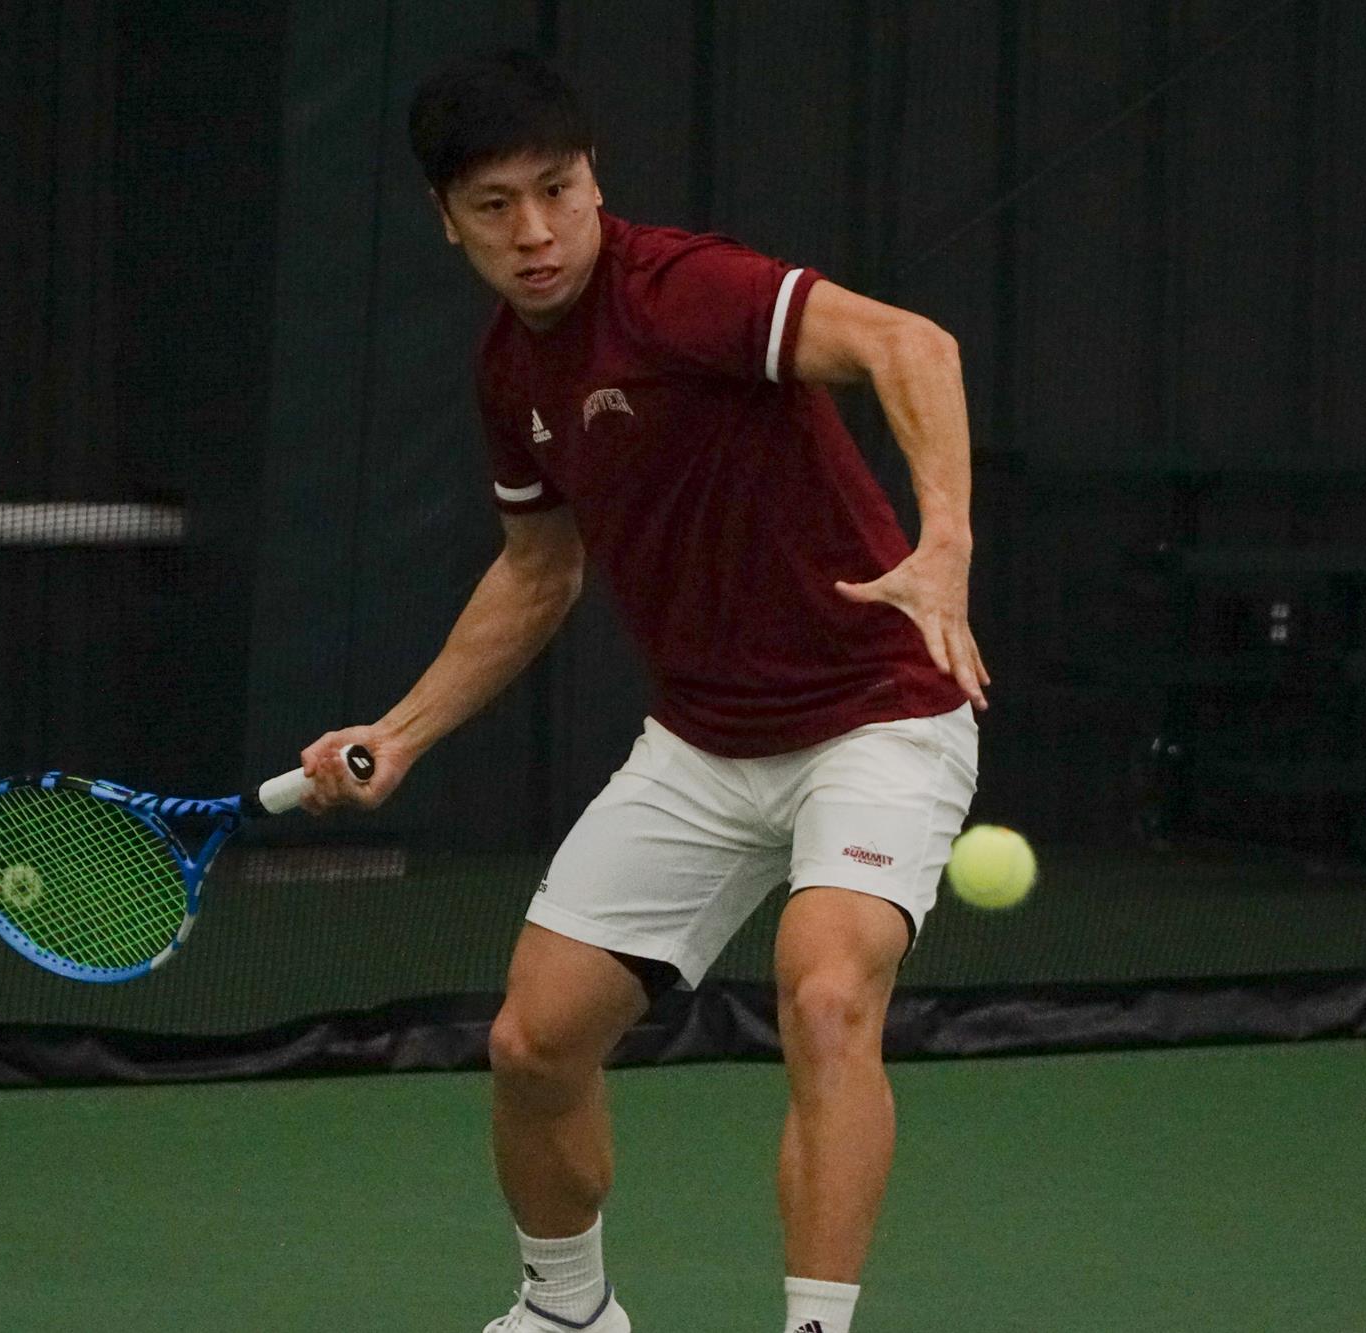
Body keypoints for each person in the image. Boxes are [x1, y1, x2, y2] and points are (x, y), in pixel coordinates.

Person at [297, 49, 987, 1333]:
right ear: (447, 220)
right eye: (495, 205)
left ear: (594, 177)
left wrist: (940, 533)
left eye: (556, 189)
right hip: (705, 742)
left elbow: (912, 344)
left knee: (827, 993)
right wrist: (399, 733)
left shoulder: (683, 292)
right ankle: (566, 1313)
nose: (537, 231)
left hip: (877, 714)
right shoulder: (512, 371)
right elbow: (536, 572)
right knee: (532, 1045)